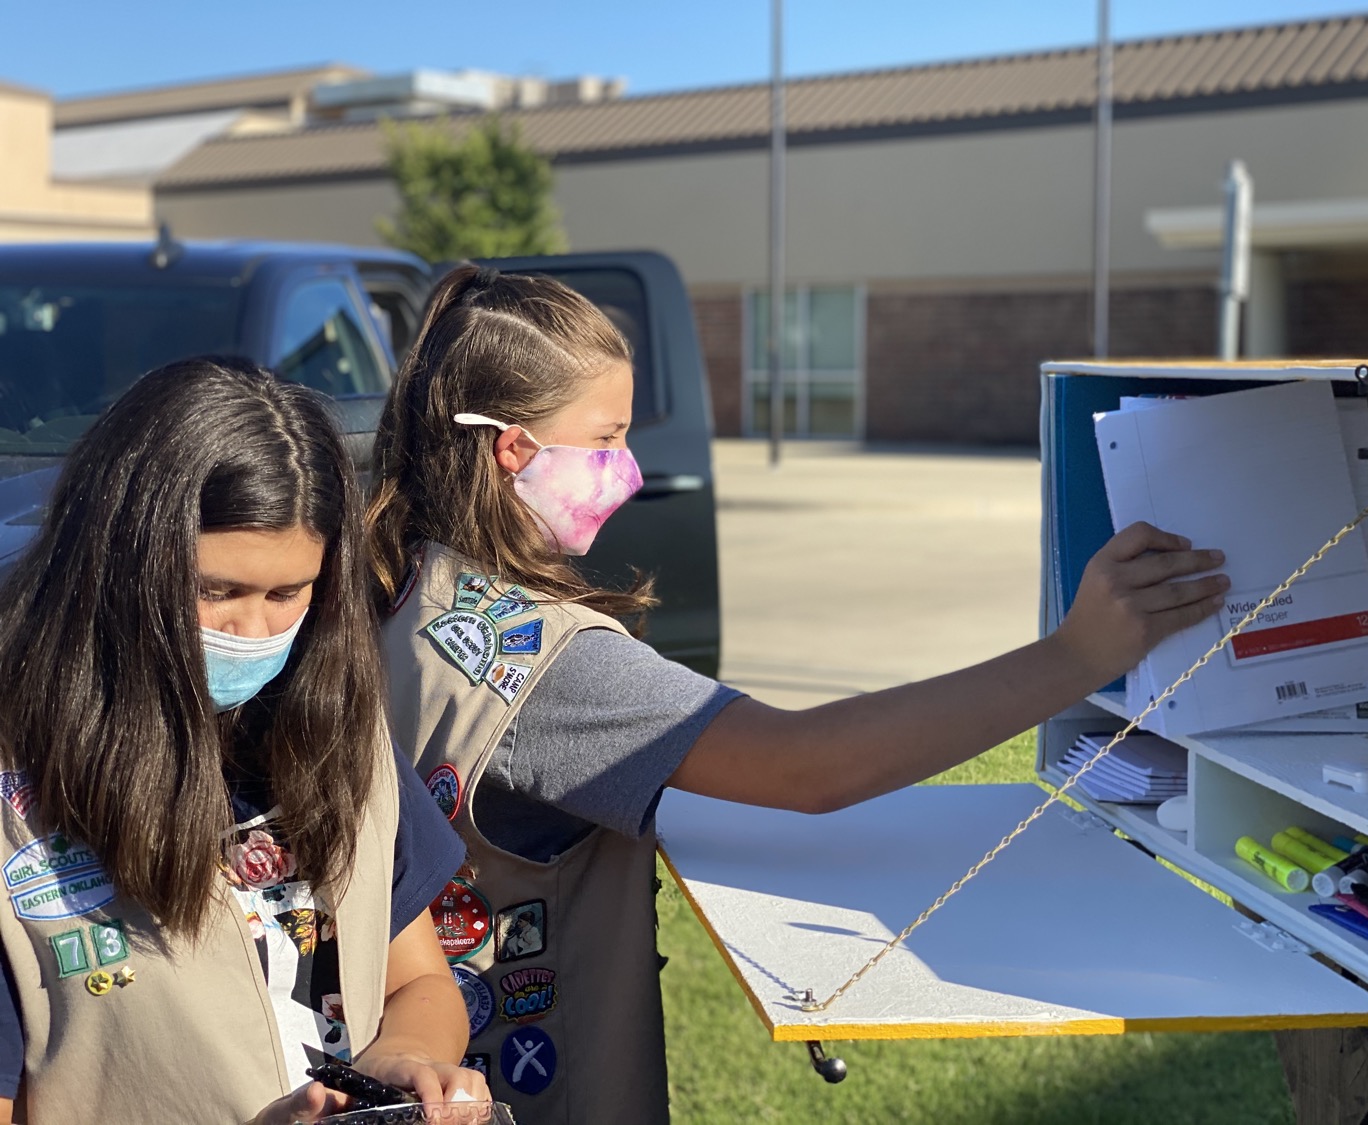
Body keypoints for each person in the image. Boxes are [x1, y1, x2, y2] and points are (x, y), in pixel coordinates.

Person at [367, 267, 1230, 1123]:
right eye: (604, 441)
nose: (627, 468)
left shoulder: (399, 585)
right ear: (513, 449)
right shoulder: (555, 663)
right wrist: (1078, 654)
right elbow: (811, 763)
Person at [0, 358, 487, 1124]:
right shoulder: (18, 795)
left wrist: (405, 1061)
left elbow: (416, 982)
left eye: (287, 593)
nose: (253, 632)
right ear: (116, 563)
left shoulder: (336, 730)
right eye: (214, 590)